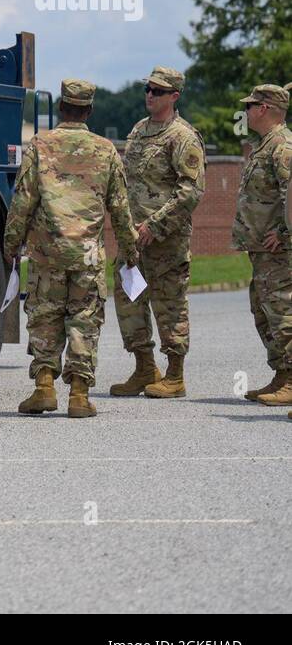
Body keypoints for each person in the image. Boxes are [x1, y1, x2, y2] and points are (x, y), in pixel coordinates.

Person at [3, 79, 139, 417]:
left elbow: (22, 201)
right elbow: (120, 207)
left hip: (46, 253)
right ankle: (79, 396)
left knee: (45, 315)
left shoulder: (39, 145)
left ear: (61, 107)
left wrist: (11, 243)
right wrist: (130, 249)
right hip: (87, 255)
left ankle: (44, 388)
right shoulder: (105, 150)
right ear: (89, 110)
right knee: (84, 318)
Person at [110, 67, 205, 398]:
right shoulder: (138, 131)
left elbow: (191, 191)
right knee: (129, 299)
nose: (149, 95)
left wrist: (156, 224)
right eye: (148, 89)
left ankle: (175, 376)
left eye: (157, 90)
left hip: (165, 241)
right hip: (134, 240)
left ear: (174, 96)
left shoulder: (183, 137)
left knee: (169, 303)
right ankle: (145, 367)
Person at [231, 84, 292, 409]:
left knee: (283, 314)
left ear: (265, 109)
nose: (248, 110)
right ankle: (282, 376)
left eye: (252, 105)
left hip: (279, 252)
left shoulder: (282, 147)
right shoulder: (265, 145)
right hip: (262, 251)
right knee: (264, 312)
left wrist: (284, 233)